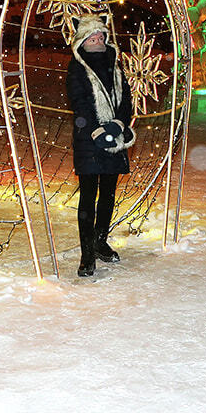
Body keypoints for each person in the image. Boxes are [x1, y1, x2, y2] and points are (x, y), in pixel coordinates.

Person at [66, 15, 135, 277]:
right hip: (88, 139)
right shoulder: (77, 67)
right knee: (88, 196)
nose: (97, 42)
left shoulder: (115, 65)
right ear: (82, 41)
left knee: (108, 194)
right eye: (92, 38)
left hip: (114, 138)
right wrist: (95, 129)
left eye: (100, 37)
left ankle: (100, 241)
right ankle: (86, 254)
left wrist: (118, 124)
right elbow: (79, 100)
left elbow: (125, 98)